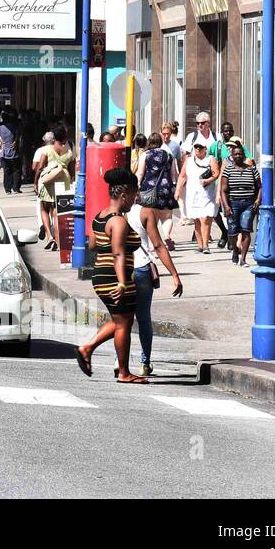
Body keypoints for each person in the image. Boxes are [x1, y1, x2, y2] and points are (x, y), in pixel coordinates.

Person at [75, 168, 147, 384]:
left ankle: (88, 348)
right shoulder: (118, 221)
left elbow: (94, 244)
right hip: (116, 279)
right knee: (124, 323)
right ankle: (124, 372)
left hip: (100, 276)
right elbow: (118, 252)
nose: (135, 200)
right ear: (124, 195)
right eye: (134, 195)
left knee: (119, 320)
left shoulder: (100, 216)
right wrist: (123, 283)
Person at [125, 200, 183, 377]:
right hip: (141, 267)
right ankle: (145, 362)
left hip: (122, 269)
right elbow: (158, 245)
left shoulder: (112, 213)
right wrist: (174, 274)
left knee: (122, 319)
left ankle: (119, 361)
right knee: (143, 318)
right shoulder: (145, 213)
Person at [135, 132, 179, 253]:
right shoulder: (169, 155)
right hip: (166, 188)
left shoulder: (146, 155)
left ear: (149, 142)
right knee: (167, 216)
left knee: (150, 218)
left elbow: (140, 173)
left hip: (149, 189)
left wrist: (137, 185)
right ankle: (166, 237)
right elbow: (173, 174)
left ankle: (151, 244)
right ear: (160, 142)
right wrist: (174, 187)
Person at [33, 127, 75, 252]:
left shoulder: (47, 150)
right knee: (58, 212)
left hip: (49, 181)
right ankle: (58, 239)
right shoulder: (69, 151)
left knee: (44, 208)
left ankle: (49, 236)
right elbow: (72, 170)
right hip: (64, 180)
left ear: (54, 137)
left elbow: (40, 167)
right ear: (64, 137)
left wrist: (35, 182)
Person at [219, 140, 259, 267]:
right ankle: (235, 251)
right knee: (232, 232)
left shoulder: (252, 169)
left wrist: (258, 200)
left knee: (246, 230)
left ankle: (243, 258)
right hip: (233, 203)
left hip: (248, 203)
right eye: (235, 154)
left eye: (240, 154)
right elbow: (223, 190)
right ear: (232, 155)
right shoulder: (228, 170)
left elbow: (260, 187)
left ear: (244, 155)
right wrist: (226, 206)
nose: (238, 156)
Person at [177, 139, 219, 253]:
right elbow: (182, 176)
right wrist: (177, 191)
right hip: (192, 195)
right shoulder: (189, 161)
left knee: (205, 219)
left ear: (205, 148)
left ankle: (206, 245)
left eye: (200, 147)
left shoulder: (210, 159)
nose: (198, 149)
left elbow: (216, 173)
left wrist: (208, 180)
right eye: (196, 147)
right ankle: (200, 245)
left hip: (207, 195)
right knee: (196, 221)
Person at [0, 115, 21, 195]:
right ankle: (16, 188)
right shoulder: (14, 127)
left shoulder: (1, 127)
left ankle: (7, 189)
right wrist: (15, 142)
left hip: (4, 153)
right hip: (14, 153)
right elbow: (18, 135)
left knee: (7, 171)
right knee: (16, 170)